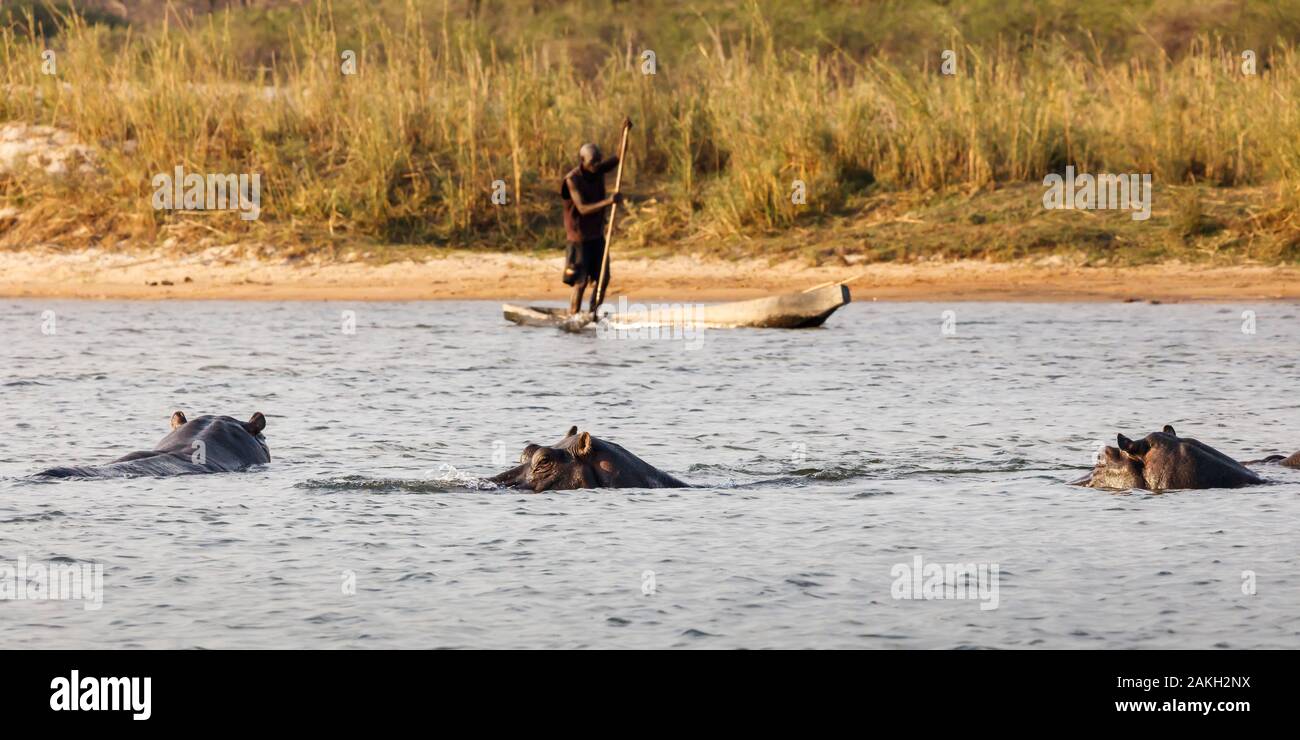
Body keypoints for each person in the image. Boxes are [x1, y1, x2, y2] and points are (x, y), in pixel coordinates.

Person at [560, 140, 622, 314]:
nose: (596, 165)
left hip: (596, 236)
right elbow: (582, 208)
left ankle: (593, 314)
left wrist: (624, 133)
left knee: (603, 278)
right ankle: (574, 316)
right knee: (580, 282)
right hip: (578, 239)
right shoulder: (572, 179)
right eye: (592, 162)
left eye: (598, 161)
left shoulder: (598, 170)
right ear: (582, 160)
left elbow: (618, 157)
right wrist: (609, 201)